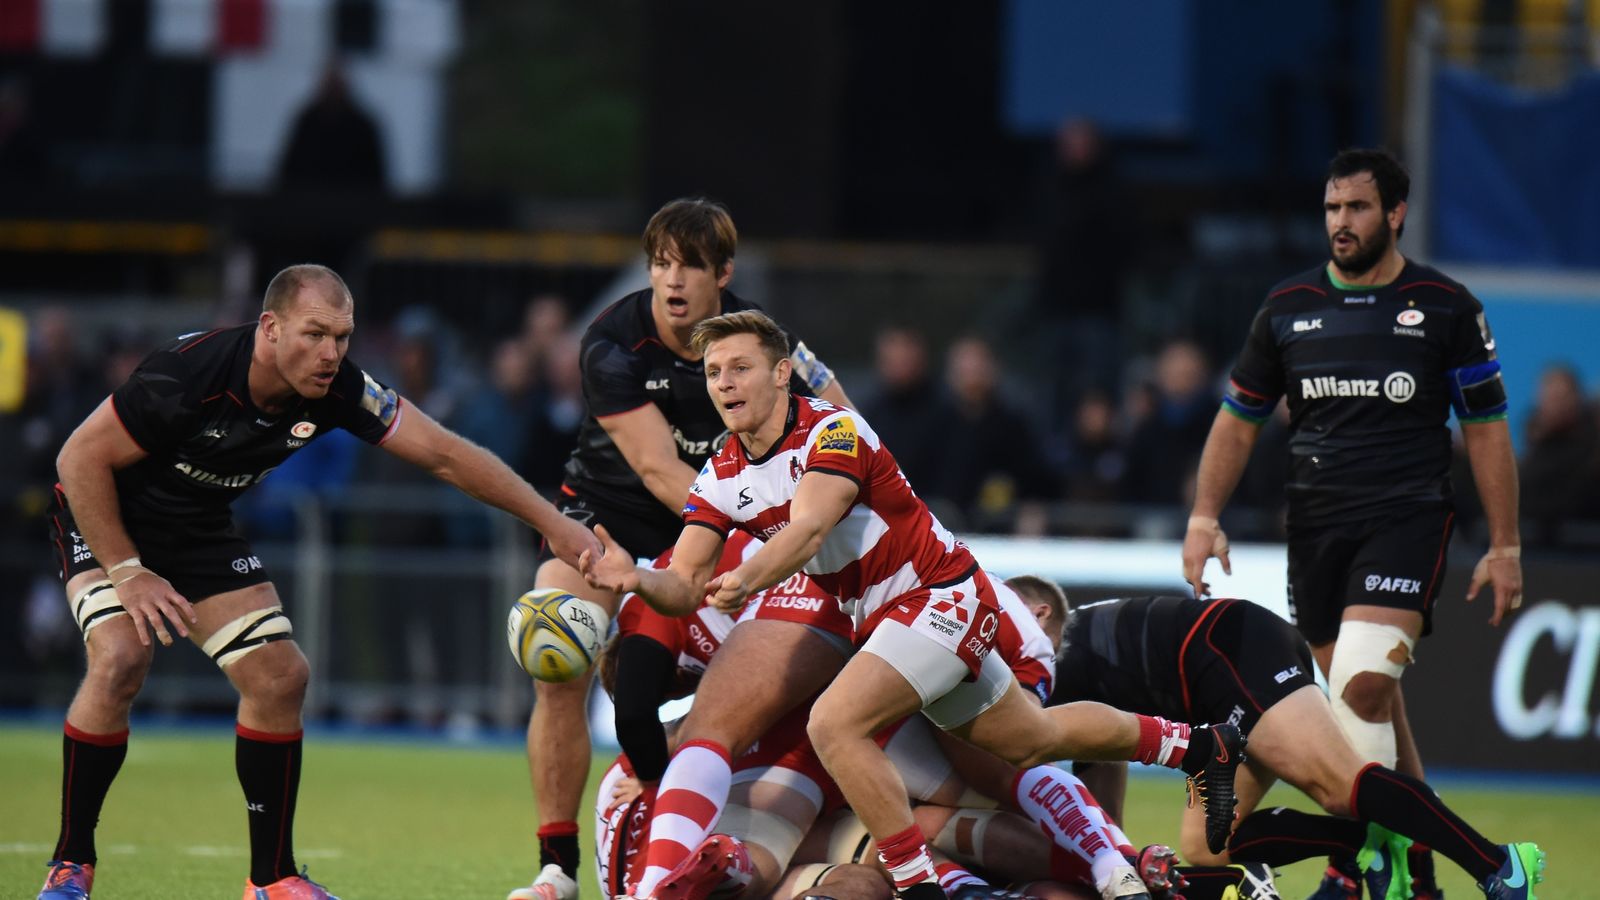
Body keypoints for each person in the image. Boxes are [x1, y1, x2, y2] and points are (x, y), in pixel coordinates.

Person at [581, 310, 1244, 900]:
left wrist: (750, 577)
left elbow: (810, 528)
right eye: (713, 371)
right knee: (1032, 739)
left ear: (782, 374)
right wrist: (636, 578)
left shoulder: (831, 432)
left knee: (833, 725)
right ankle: (1199, 745)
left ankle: (918, 881)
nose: (724, 383)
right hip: (894, 624)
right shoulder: (723, 472)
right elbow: (686, 578)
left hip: (941, 597)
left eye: (740, 368)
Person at [35, 264, 599, 900]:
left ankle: (270, 878)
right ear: (270, 329)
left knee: (281, 677)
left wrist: (557, 523)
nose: (331, 353)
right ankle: (70, 865)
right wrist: (128, 572)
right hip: (107, 515)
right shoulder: (188, 373)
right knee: (119, 657)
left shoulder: (341, 389)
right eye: (314, 334)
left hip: (195, 527)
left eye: (343, 336)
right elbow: (78, 458)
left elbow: (444, 453)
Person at [1180, 148, 1525, 897]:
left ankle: (1353, 867)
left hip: (1406, 518)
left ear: (1395, 214)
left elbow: (1488, 428)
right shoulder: (1285, 307)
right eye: (1333, 209)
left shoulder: (1445, 306)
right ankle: (1423, 868)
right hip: (1315, 532)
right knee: (1372, 708)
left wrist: (1505, 544)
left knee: (1361, 692)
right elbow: (1238, 421)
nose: (1341, 223)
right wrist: (1204, 515)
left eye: (1358, 208)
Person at [513, 198, 851, 900]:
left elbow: (841, 417)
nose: (672, 280)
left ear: (722, 274)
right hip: (609, 527)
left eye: (690, 265)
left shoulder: (761, 340)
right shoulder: (610, 342)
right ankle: (556, 868)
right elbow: (660, 472)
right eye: (660, 263)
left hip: (716, 529)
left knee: (782, 676)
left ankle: (760, 828)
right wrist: (768, 539)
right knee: (558, 651)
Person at [1051, 595, 1545, 899]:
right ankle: (1360, 848)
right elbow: (1101, 779)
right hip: (1217, 700)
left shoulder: (1049, 666)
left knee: (1340, 787)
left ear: (1038, 613)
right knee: (1206, 847)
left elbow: (1029, 751)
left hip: (1229, 652)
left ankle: (1499, 864)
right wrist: (1112, 863)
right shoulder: (1064, 668)